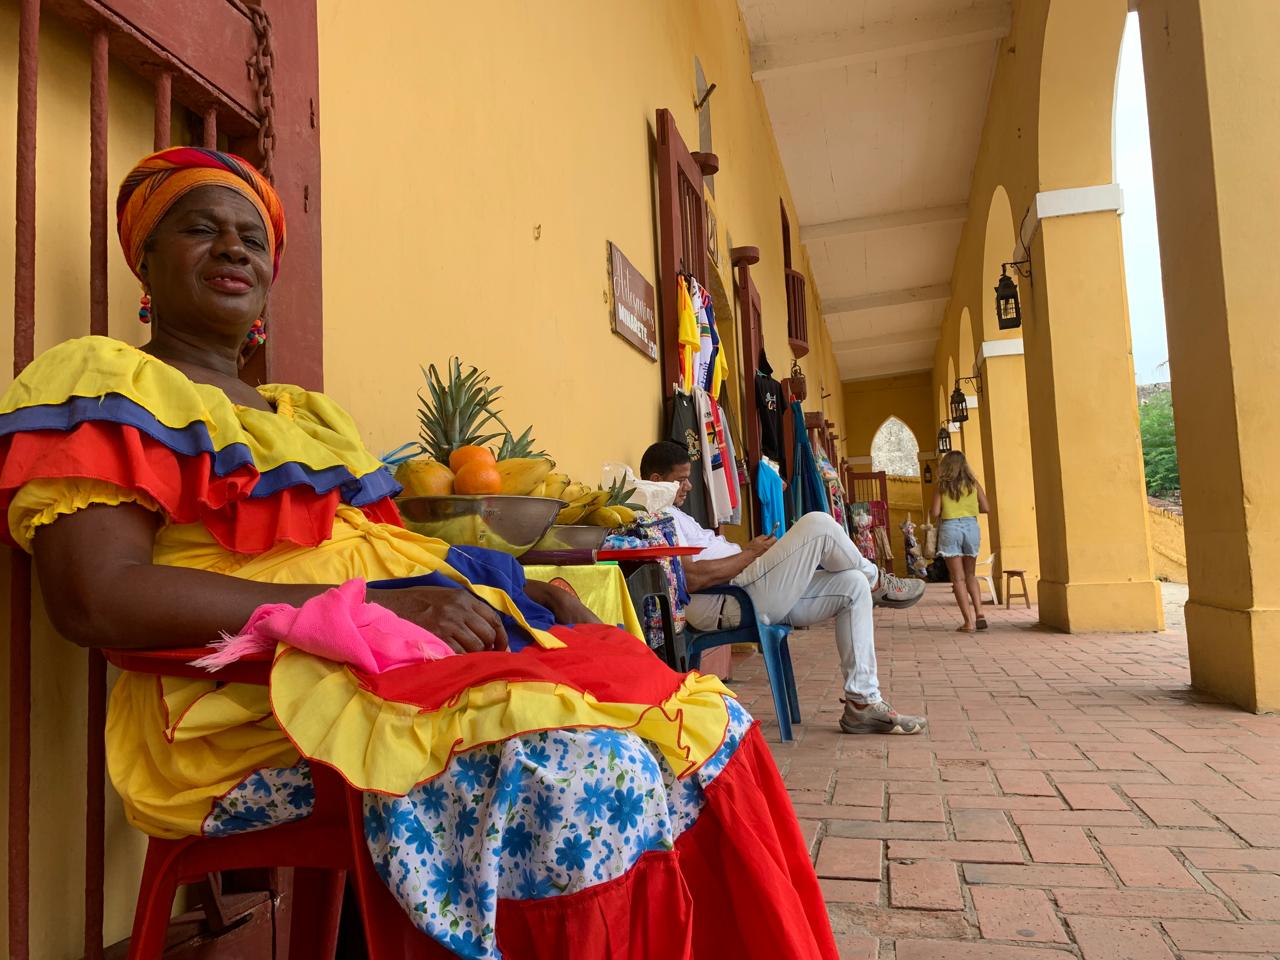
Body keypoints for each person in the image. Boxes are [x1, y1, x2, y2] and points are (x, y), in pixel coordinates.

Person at [1, 147, 839, 960]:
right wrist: (361, 615)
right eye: (200, 230)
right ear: (143, 262)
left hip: (387, 672)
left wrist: (523, 593)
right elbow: (95, 598)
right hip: (247, 715)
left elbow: (377, 548)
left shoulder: (304, 417)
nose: (233, 249)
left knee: (705, 726)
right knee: (589, 771)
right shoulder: (105, 383)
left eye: (252, 238)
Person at [639, 441, 928, 736]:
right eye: (681, 479)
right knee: (818, 524)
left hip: (746, 588)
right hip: (730, 599)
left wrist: (756, 554)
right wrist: (750, 553)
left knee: (852, 585)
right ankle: (878, 581)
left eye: (689, 477)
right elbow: (690, 579)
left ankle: (862, 703)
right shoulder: (658, 517)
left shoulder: (677, 514)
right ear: (656, 481)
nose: (688, 486)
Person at [930, 449, 991, 633]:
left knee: (958, 578)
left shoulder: (942, 486)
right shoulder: (973, 484)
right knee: (971, 574)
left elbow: (934, 513)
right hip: (971, 527)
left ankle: (968, 623)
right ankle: (980, 613)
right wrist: (968, 510)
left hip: (950, 528)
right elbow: (986, 507)